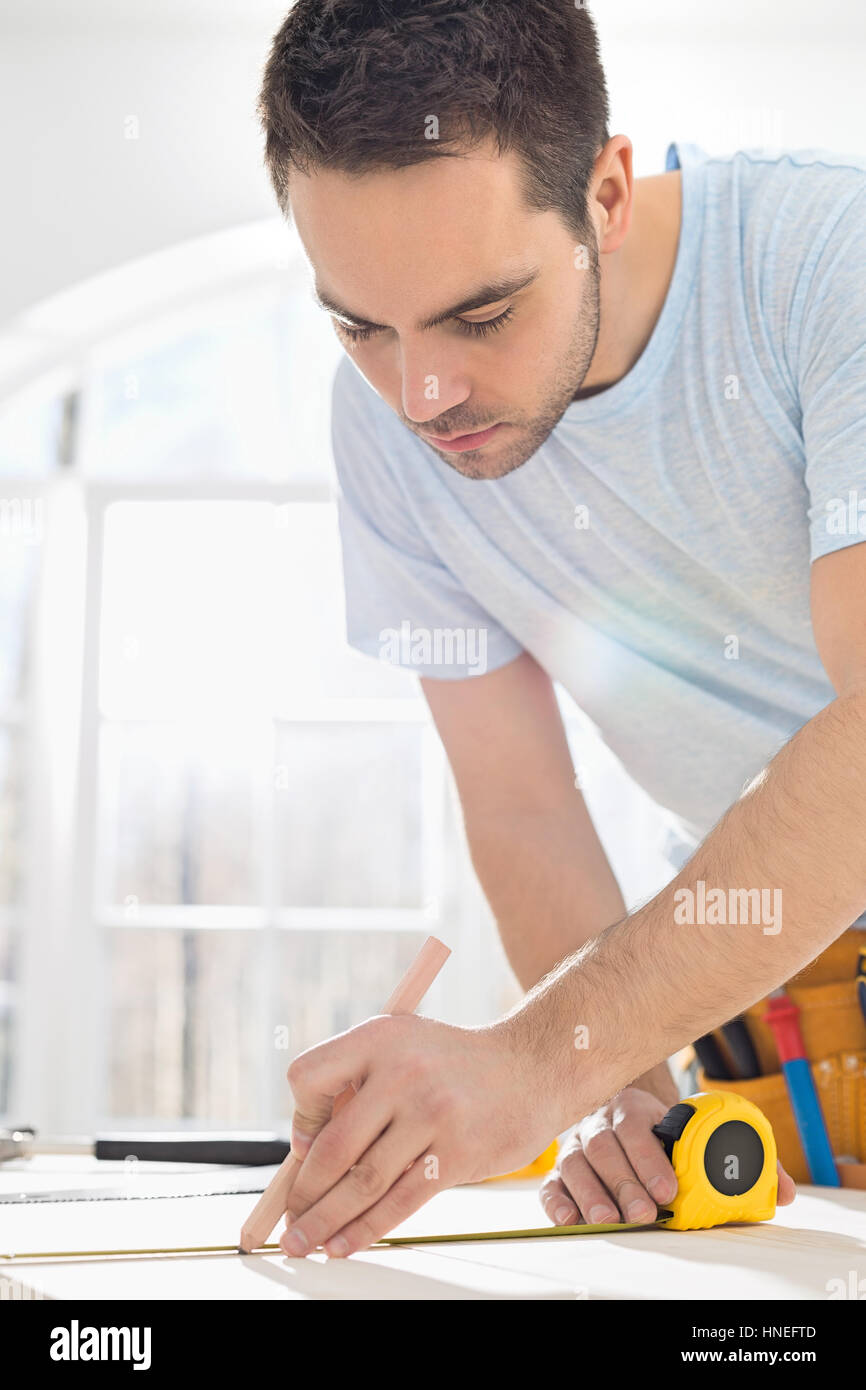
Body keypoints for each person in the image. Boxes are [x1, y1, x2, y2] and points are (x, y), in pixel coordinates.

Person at [256, 0, 866, 1258]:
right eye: (361, 324)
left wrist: (537, 1057)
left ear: (604, 193)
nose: (421, 397)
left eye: (479, 317)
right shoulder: (377, 426)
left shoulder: (830, 263)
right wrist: (617, 1101)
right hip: (761, 970)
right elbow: (520, 801)